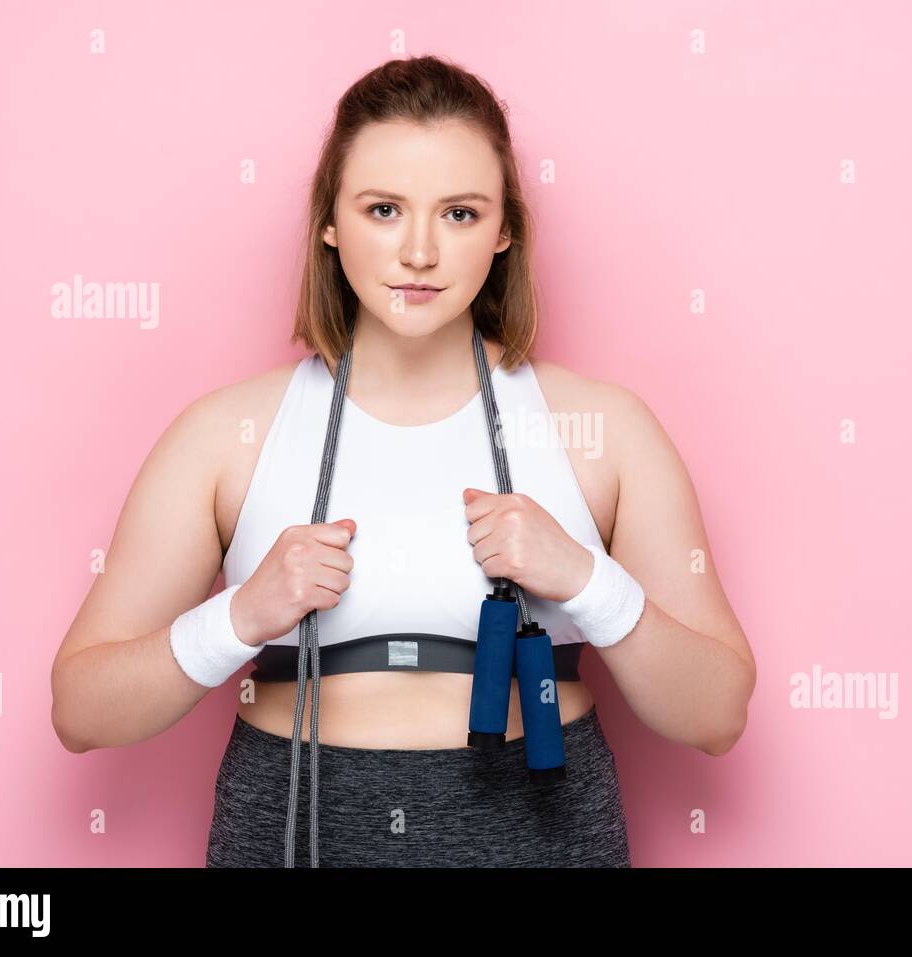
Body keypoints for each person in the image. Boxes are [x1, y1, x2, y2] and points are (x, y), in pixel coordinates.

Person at [50, 54, 755, 868]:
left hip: (538, 829)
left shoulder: (605, 429)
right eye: (384, 208)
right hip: (294, 825)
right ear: (330, 220)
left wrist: (586, 578)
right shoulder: (223, 435)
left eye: (459, 213)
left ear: (503, 231)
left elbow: (718, 715)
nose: (419, 251)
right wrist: (239, 616)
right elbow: (81, 710)